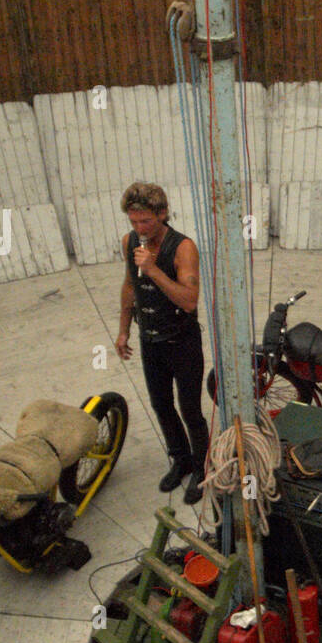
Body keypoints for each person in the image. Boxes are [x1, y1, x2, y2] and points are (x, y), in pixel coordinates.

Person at [114, 183, 208, 503]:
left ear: (163, 214)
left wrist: (152, 270)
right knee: (161, 405)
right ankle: (180, 459)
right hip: (150, 340)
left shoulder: (183, 248)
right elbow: (129, 286)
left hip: (182, 340)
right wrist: (124, 330)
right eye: (134, 222)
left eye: (146, 222)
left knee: (190, 409)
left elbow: (189, 300)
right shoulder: (130, 243)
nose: (139, 229)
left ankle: (202, 466)